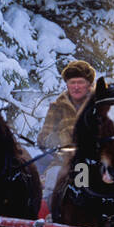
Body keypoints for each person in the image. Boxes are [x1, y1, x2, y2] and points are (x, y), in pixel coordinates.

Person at [36, 59, 96, 195]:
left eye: (80, 82)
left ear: (89, 84)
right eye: (72, 82)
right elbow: (43, 139)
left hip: (90, 162)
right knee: (50, 185)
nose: (76, 87)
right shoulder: (57, 107)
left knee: (81, 187)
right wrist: (60, 139)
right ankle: (52, 215)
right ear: (67, 84)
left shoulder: (97, 106)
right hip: (61, 162)